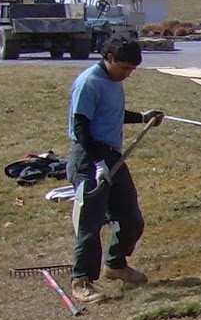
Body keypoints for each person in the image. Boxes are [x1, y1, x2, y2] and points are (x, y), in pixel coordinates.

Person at [66, 36, 163, 305]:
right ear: (108, 58)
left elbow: (112, 113)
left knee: (132, 219)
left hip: (112, 159)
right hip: (88, 158)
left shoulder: (113, 81)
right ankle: (81, 281)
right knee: (90, 223)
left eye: (131, 70)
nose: (127, 74)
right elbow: (80, 128)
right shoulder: (89, 83)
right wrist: (97, 164)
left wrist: (142, 117)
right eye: (124, 68)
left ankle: (115, 265)